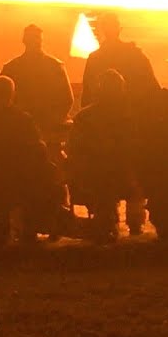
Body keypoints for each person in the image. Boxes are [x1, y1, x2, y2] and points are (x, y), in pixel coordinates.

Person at [79, 13, 158, 234]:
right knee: (134, 173)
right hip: (131, 129)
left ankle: (108, 218)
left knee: (105, 177)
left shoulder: (95, 59)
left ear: (103, 30)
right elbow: (151, 90)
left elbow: (86, 96)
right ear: (119, 29)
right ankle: (135, 220)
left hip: (101, 136)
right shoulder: (135, 56)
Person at [0, 76, 67, 246]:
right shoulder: (21, 119)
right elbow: (38, 149)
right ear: (12, 95)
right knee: (46, 180)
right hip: (17, 179)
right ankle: (32, 228)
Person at [70, 69, 136, 243]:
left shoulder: (83, 117)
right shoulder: (129, 117)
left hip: (91, 175)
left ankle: (104, 222)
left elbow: (73, 149)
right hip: (122, 174)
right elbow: (135, 148)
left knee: (103, 178)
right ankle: (129, 221)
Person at [0, 24, 74, 143]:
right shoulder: (55, 66)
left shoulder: (11, 68)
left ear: (24, 40)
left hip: (18, 132)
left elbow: (1, 100)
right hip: (47, 132)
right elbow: (67, 99)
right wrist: (52, 123)